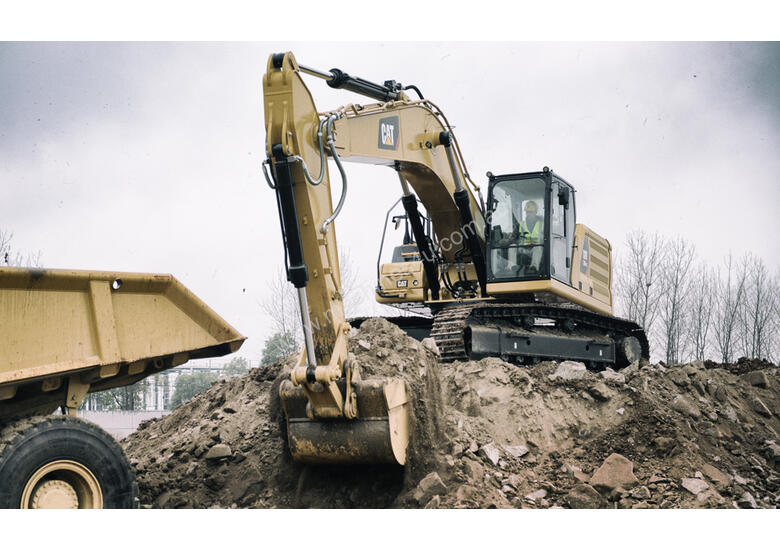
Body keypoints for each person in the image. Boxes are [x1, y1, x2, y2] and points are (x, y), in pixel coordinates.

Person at [518, 200, 544, 271]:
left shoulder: (542, 224)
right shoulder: (522, 224)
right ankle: (511, 267)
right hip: (524, 249)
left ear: (535, 212)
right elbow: (516, 236)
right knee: (512, 246)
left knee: (537, 248)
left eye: (531, 212)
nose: (529, 214)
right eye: (527, 212)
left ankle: (534, 266)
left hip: (536, 249)